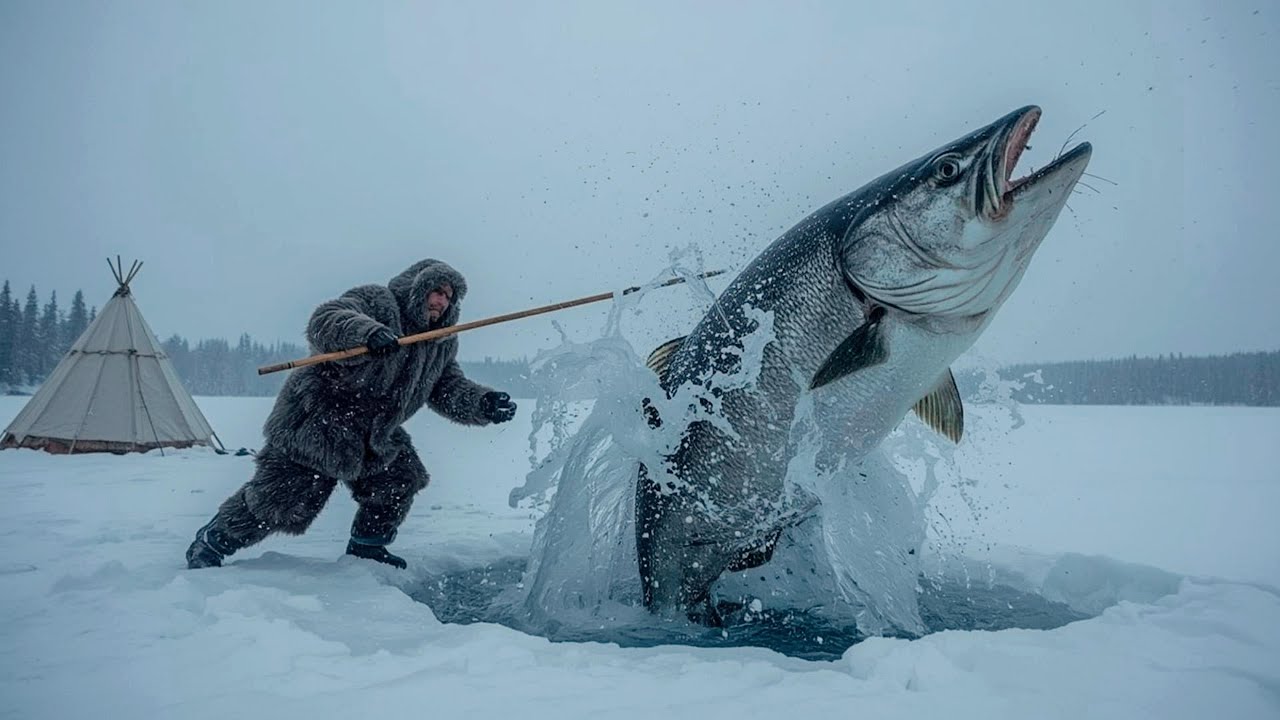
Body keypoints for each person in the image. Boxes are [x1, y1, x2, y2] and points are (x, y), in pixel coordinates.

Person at [186, 258, 517, 570]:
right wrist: (368, 334)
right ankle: (212, 542)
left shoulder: (440, 343)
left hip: (373, 433)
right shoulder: (378, 302)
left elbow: (447, 387)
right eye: (437, 290)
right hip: (318, 419)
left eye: (449, 296)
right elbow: (328, 318)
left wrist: (483, 403)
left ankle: (366, 549)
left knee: (400, 479)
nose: (442, 301)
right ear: (417, 288)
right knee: (280, 501)